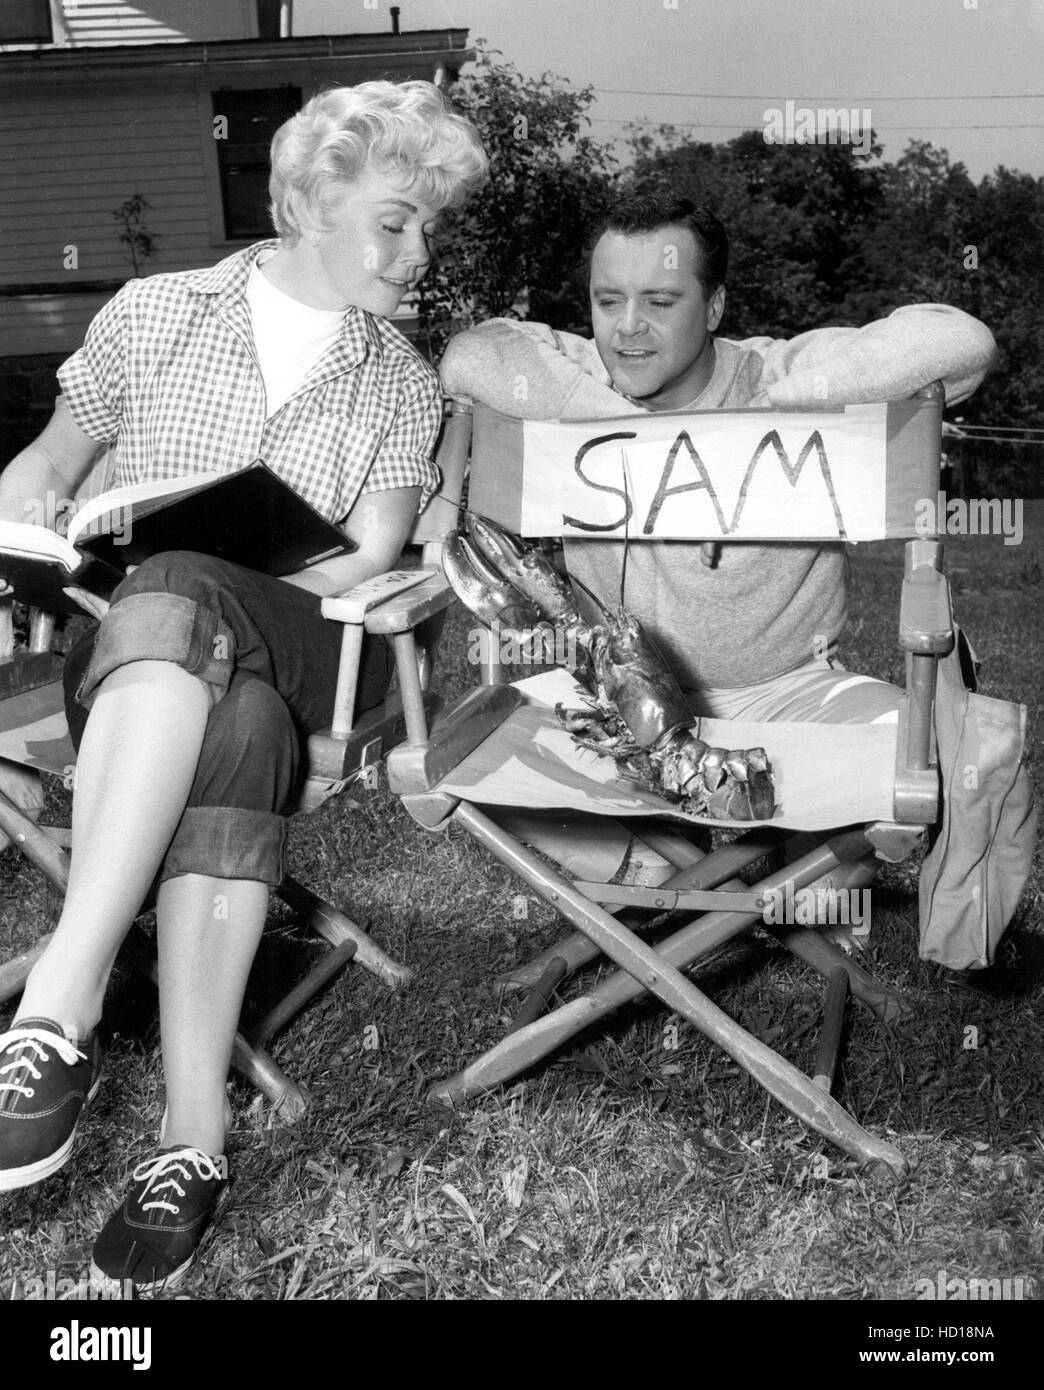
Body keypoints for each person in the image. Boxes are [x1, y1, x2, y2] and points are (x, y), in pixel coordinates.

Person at [0, 80, 486, 1290]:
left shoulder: (398, 379)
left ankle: (57, 1005)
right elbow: (54, 456)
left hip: (312, 636)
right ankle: (192, 1146)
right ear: (308, 203)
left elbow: (371, 556)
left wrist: (221, 550)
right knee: (228, 712)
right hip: (131, 669)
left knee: (185, 577)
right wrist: (29, 498)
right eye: (394, 221)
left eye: (430, 228)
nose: (418, 252)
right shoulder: (158, 310)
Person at [439, 193, 997, 881]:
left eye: (661, 302)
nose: (627, 329)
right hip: (610, 702)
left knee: (937, 750)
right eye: (608, 300)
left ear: (714, 308)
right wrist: (617, 422)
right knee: (469, 748)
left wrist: (787, 408)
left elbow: (961, 342)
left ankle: (783, 893)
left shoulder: (775, 371)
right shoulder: (577, 375)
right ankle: (651, 883)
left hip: (790, 693)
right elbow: (470, 354)